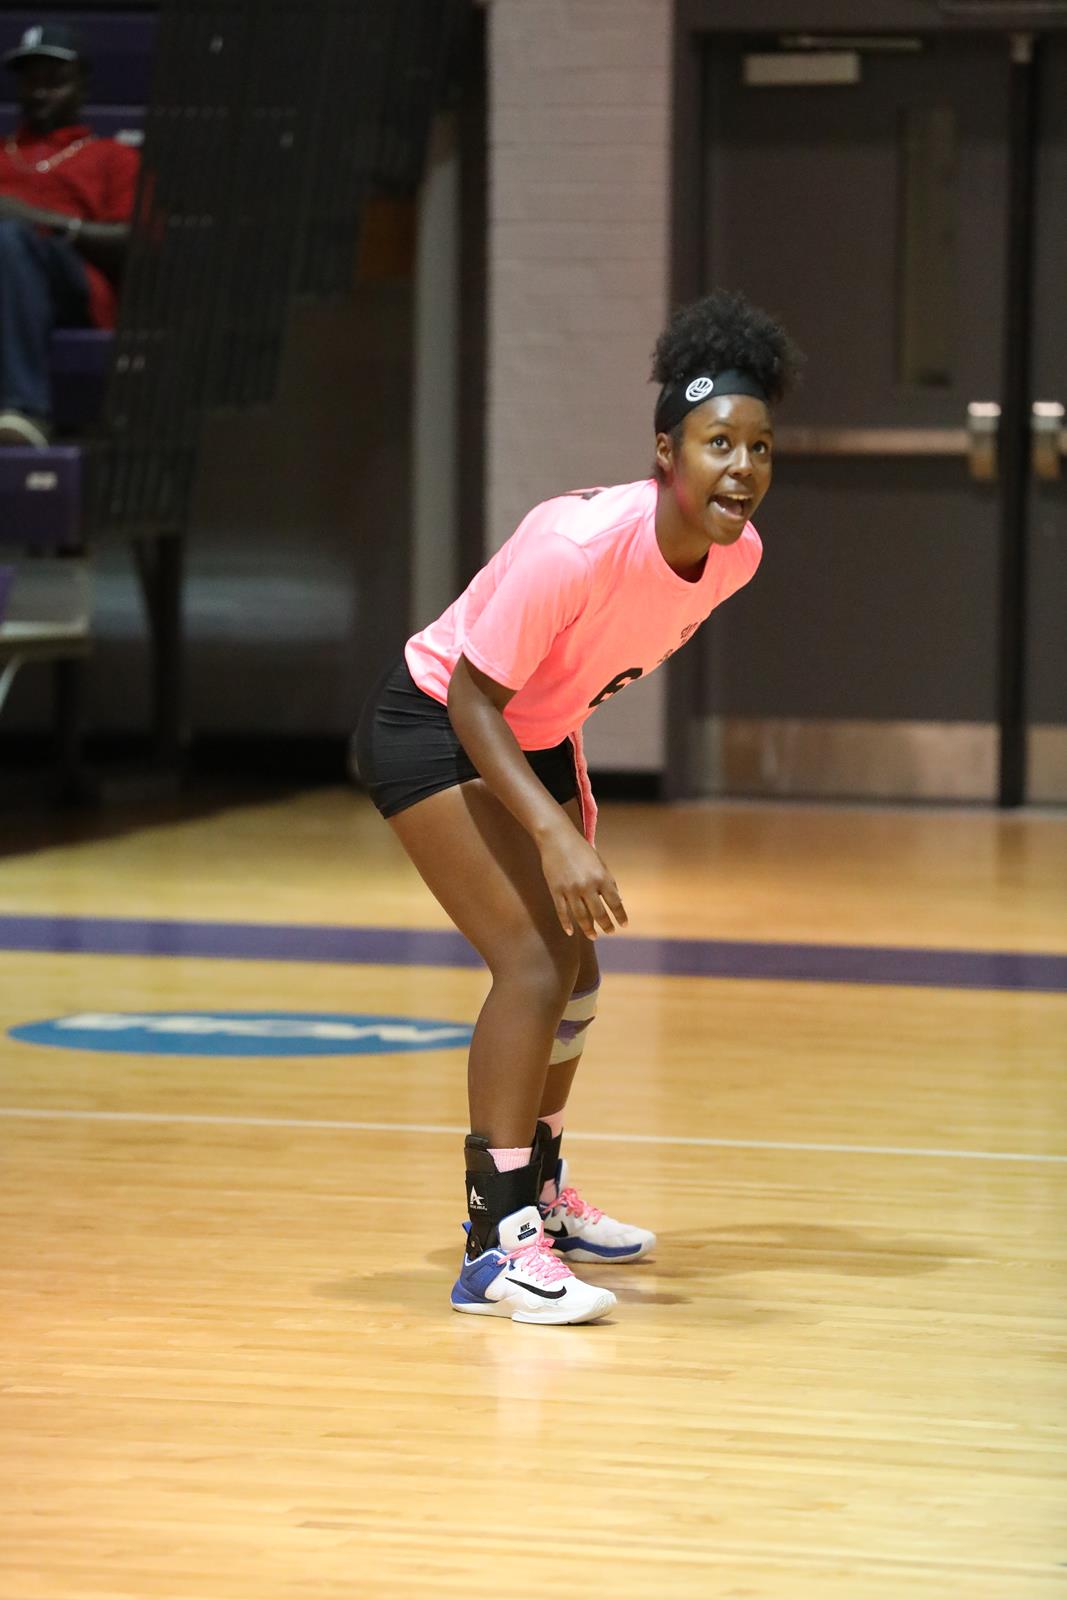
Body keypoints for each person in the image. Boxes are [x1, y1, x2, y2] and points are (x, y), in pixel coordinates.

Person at [355, 289, 802, 1325]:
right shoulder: (570, 544)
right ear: (664, 449)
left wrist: (566, 806)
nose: (740, 467)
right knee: (528, 961)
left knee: (579, 975)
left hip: (536, 737)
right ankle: (493, 1240)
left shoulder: (734, 560)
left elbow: (570, 685)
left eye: (759, 448)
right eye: (715, 443)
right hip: (434, 718)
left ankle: (540, 1198)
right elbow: (471, 692)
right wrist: (551, 833)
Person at [0, 22, 140, 447]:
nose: (39, 93)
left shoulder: (112, 156)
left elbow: (132, 245)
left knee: (8, 238)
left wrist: (34, 219)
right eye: (30, 82)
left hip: (71, 281)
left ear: (82, 87)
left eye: (54, 81)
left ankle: (24, 410)